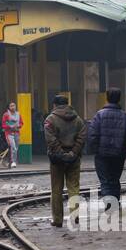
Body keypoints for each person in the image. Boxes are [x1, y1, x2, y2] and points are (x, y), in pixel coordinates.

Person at [43, 95, 86, 227]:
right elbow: (82, 137)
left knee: (56, 189)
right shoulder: (78, 119)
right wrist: (73, 152)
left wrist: (61, 154)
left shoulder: (50, 119)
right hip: (74, 158)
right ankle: (75, 215)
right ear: (68, 104)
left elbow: (51, 139)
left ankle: (57, 220)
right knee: (74, 187)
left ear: (54, 105)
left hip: (57, 159)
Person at [88, 88, 126, 207]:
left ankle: (109, 202)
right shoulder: (124, 116)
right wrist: (125, 150)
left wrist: (95, 149)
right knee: (115, 179)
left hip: (102, 155)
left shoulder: (99, 115)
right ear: (119, 99)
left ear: (107, 97)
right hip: (118, 154)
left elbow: (93, 134)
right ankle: (115, 201)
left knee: (105, 180)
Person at [1, 101, 22, 168]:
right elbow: (4, 124)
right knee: (13, 147)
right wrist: (11, 125)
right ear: (9, 107)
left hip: (17, 132)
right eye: (11, 106)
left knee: (16, 147)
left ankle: (11, 160)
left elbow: (21, 122)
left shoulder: (18, 114)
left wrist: (18, 126)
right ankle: (13, 161)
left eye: (14, 105)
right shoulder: (6, 114)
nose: (13, 107)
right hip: (9, 133)